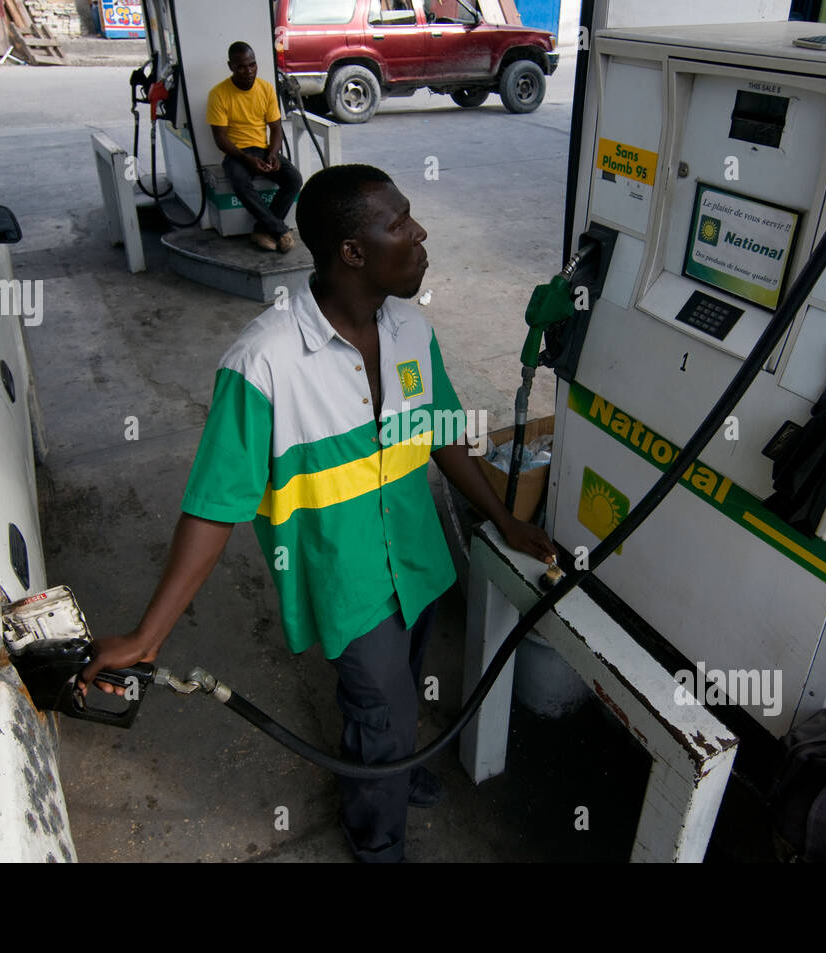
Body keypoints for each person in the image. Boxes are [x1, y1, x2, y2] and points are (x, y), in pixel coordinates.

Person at [80, 164, 556, 863]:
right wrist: (150, 634)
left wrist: (503, 518)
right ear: (352, 252)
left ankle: (389, 764)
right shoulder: (263, 362)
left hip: (417, 560)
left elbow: (444, 431)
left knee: (395, 696)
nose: (420, 234)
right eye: (399, 223)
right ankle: (376, 838)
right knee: (382, 707)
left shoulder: (412, 331)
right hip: (347, 582)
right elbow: (214, 508)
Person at [208, 41, 301, 253]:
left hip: (262, 149)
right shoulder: (218, 94)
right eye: (241, 66)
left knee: (294, 179)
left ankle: (262, 230)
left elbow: (276, 128)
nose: (248, 71)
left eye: (252, 65)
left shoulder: (266, 89)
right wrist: (245, 159)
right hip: (237, 154)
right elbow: (220, 138)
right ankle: (280, 230)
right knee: (241, 183)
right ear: (231, 66)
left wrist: (273, 154)